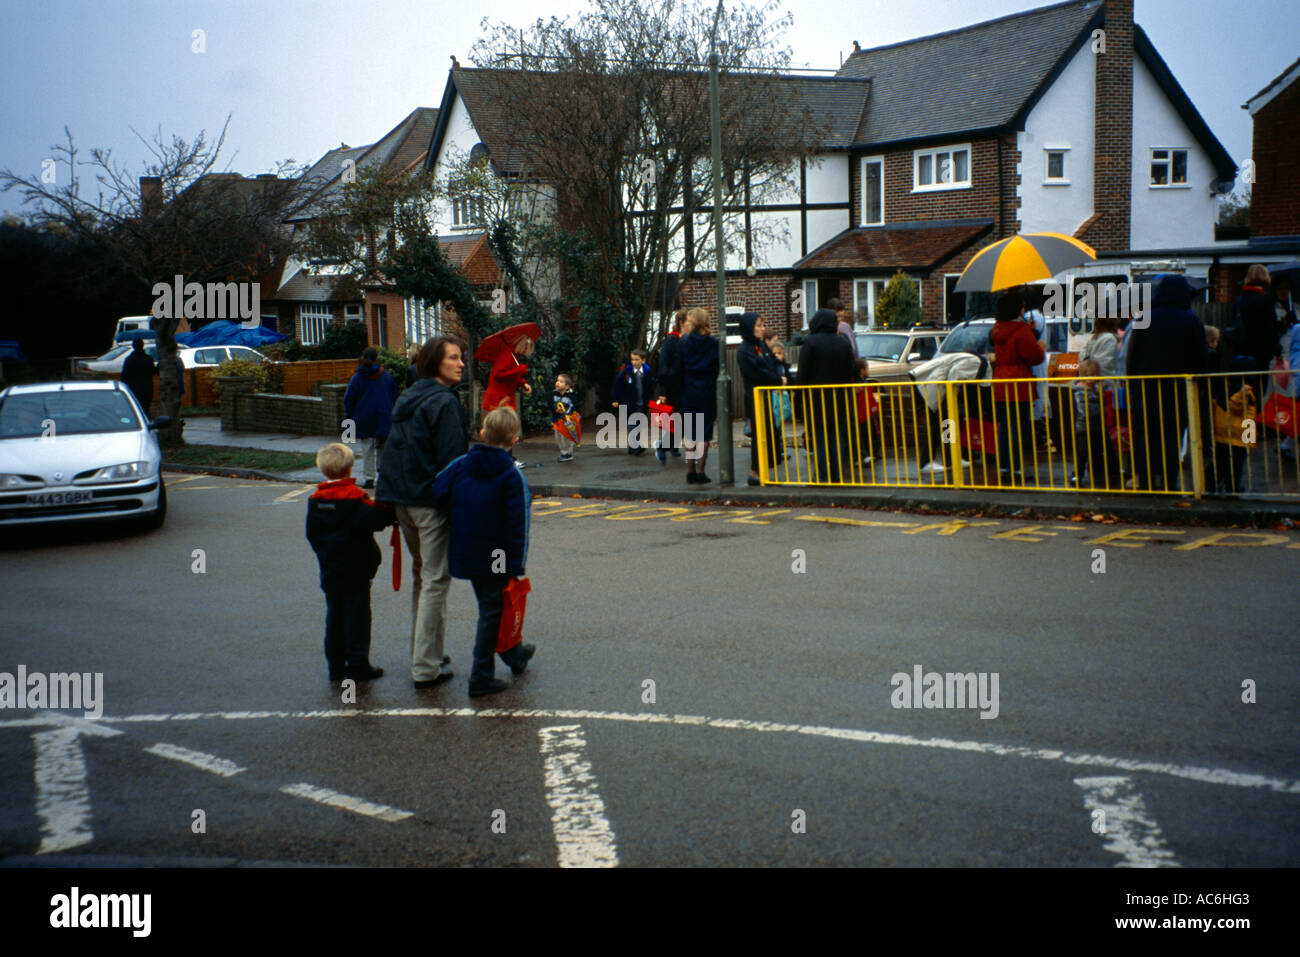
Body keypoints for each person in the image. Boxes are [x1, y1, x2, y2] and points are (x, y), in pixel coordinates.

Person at [376, 337, 469, 690]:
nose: (461, 364)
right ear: (435, 364)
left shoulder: (408, 397)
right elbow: (452, 462)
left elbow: (395, 449)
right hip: (428, 501)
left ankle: (429, 654)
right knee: (435, 580)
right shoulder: (444, 402)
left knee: (423, 577)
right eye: (454, 358)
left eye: (461, 358)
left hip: (401, 499)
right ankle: (426, 666)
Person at [433, 406, 536, 698]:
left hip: (466, 548)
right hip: (498, 555)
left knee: (493, 605)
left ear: (482, 434)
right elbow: (519, 524)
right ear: (514, 440)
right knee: (492, 611)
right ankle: (481, 676)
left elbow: (438, 489)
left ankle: (516, 654)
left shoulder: (461, 464)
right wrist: (517, 564)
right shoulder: (512, 475)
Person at [305, 442, 394, 683]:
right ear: (349, 469)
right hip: (357, 568)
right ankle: (358, 663)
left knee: (334, 615)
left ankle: (335, 665)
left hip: (330, 568)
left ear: (323, 470)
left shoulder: (315, 502)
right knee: (358, 617)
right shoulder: (356, 501)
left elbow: (311, 534)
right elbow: (379, 518)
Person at [1125, 275, 1206, 490]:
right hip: (1178, 388)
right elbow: (1200, 358)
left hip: (1147, 387)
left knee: (1145, 434)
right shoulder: (1192, 320)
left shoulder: (1145, 317)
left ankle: (1146, 478)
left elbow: (1133, 355)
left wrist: (1132, 384)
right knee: (1172, 434)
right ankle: (1169, 479)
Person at [796, 307, 856, 483]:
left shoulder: (811, 342)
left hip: (816, 398)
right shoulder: (843, 342)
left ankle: (822, 475)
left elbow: (803, 373)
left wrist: (799, 400)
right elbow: (849, 370)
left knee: (820, 437)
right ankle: (837, 474)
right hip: (839, 397)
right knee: (836, 436)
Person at [990, 291, 1044, 482]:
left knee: (1004, 427)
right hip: (1019, 382)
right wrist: (1040, 346)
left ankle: (1004, 467)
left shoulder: (997, 329)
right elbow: (1034, 357)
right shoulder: (1021, 330)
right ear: (1017, 309)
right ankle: (1016, 468)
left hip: (1000, 381)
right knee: (1018, 428)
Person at [736, 312, 785, 485]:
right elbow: (759, 373)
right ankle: (756, 471)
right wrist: (777, 378)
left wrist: (776, 374)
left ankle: (763, 471)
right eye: (758, 325)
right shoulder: (744, 350)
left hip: (765, 397)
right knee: (759, 435)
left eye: (763, 325)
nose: (762, 329)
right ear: (749, 327)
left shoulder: (761, 346)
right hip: (754, 397)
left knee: (769, 433)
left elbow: (774, 363)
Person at [344, 347, 399, 489]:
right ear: (377, 359)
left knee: (368, 449)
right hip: (384, 417)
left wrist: (349, 417)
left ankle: (369, 478)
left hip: (364, 418)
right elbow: (395, 396)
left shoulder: (357, 377)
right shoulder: (387, 376)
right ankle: (383, 475)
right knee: (383, 448)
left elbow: (349, 399)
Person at [1227, 265, 1281, 407]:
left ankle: (1244, 428)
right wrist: (1278, 352)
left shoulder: (1239, 301)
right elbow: (1271, 329)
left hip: (1240, 353)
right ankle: (1251, 428)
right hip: (1260, 355)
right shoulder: (1266, 300)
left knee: (1242, 397)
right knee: (1256, 396)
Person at [679, 308, 720, 483]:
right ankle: (701, 472)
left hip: (689, 389)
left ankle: (690, 471)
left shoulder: (684, 342)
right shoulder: (713, 342)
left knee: (690, 433)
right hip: (707, 390)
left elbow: (679, 366)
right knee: (704, 434)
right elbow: (717, 366)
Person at [1070, 359, 1119, 489]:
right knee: (1083, 451)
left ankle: (1114, 471)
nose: (1092, 378)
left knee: (1107, 449)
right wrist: (1103, 406)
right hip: (1085, 427)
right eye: (1089, 375)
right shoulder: (1080, 391)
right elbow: (1087, 411)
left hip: (1099, 426)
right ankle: (1077, 475)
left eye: (1094, 375)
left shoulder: (1097, 388)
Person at [654, 309, 688, 464]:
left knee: (680, 419)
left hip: (683, 387)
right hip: (672, 388)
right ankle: (662, 446)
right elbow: (663, 366)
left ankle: (672, 446)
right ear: (681, 323)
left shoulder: (685, 340)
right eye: (689, 322)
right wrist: (662, 390)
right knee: (677, 419)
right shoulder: (671, 341)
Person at [610, 348, 655, 455]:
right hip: (628, 403)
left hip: (641, 403)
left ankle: (632, 447)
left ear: (643, 360)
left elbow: (650, 388)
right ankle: (635, 446)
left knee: (639, 425)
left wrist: (650, 401)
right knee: (632, 425)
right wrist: (614, 399)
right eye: (632, 359)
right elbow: (616, 385)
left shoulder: (647, 372)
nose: (634, 362)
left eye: (637, 360)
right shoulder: (627, 372)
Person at [121, 339, 156, 415]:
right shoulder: (148, 359)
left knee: (136, 409)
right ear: (142, 346)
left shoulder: (129, 360)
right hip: (147, 388)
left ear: (133, 346)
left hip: (133, 388)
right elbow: (153, 372)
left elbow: (124, 376)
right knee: (146, 408)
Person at [552, 373, 580, 462]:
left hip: (567, 420)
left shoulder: (571, 396)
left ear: (567, 386)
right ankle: (563, 451)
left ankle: (567, 453)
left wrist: (568, 414)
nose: (557, 383)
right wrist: (555, 410)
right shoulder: (554, 394)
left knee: (566, 436)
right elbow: (550, 404)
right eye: (557, 381)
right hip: (557, 420)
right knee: (558, 436)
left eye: (561, 381)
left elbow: (574, 406)